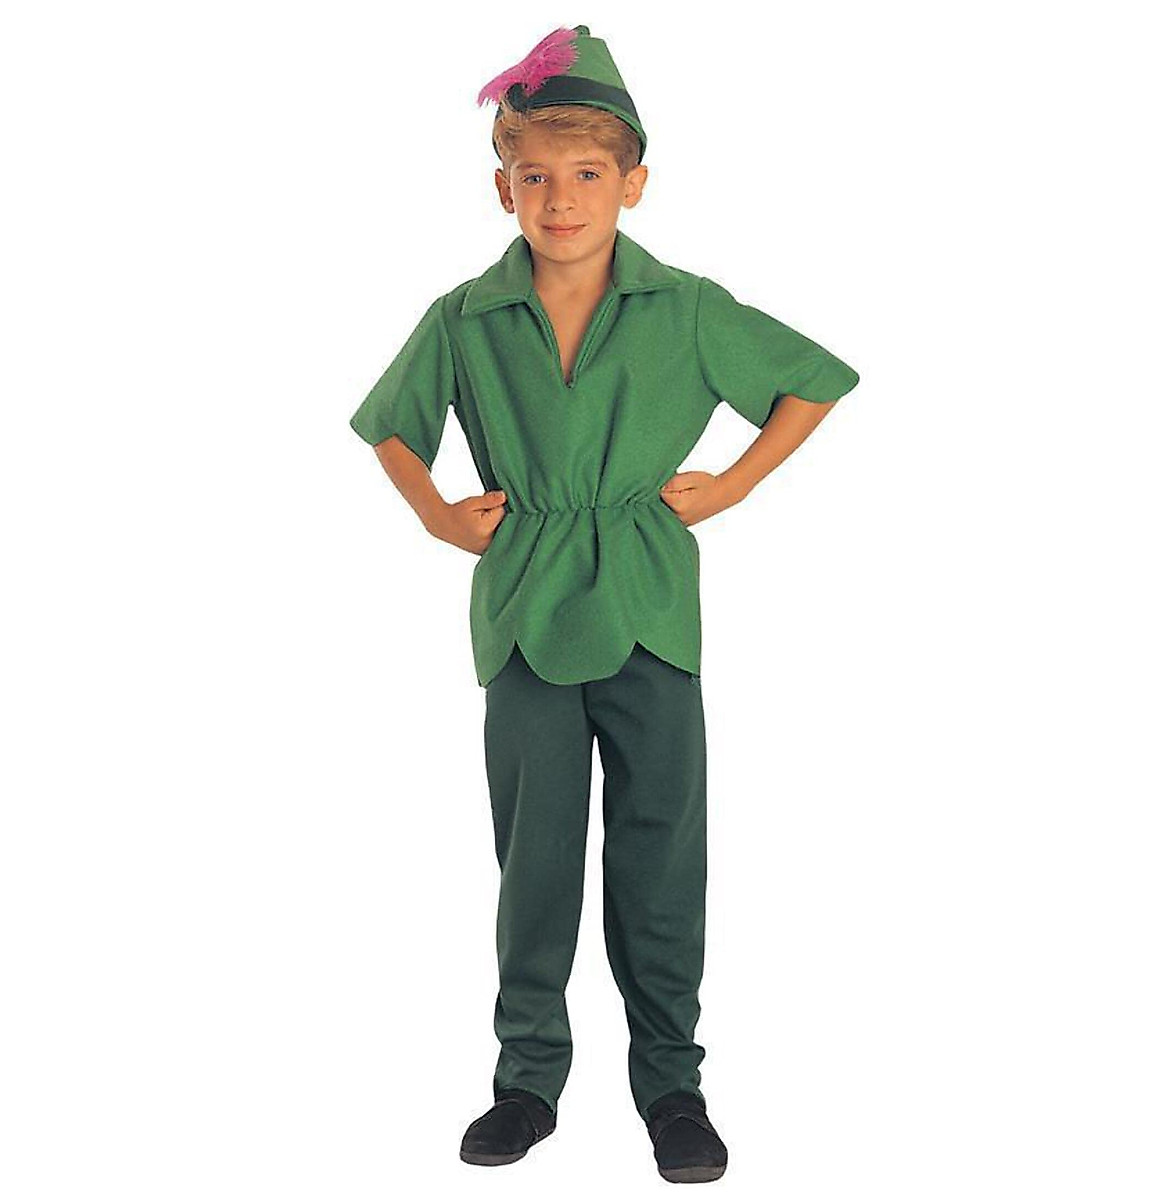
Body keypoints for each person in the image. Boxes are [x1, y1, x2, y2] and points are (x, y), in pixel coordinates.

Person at [348, 24, 860, 1185]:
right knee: (534, 858)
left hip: (647, 603)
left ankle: (673, 1086)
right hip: (526, 608)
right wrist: (436, 515)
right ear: (503, 189)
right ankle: (526, 1083)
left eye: (587, 174)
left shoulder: (684, 308)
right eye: (535, 176)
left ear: (633, 183)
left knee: (661, 853)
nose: (562, 199)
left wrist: (733, 484)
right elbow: (390, 424)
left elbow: (810, 381)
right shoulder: (465, 316)